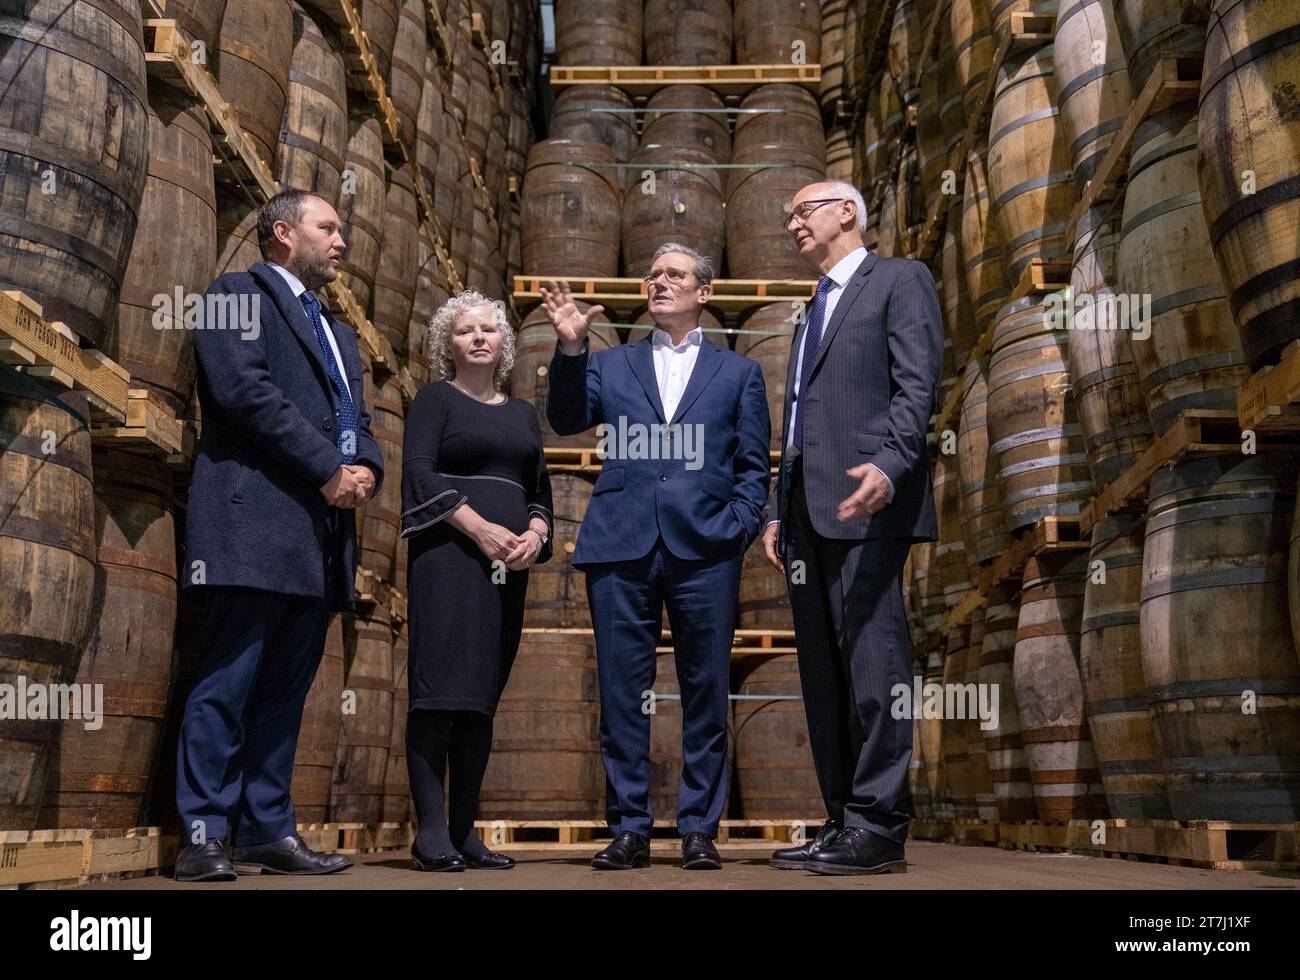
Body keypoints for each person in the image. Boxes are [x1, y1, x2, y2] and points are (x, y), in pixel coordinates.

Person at [175, 189, 384, 882]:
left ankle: (267, 829)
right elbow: (244, 392)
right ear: (283, 233)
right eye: (330, 227)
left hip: (319, 537)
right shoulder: (235, 293)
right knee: (227, 684)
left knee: (284, 694)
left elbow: (357, 414)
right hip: (254, 519)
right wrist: (329, 468)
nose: (342, 241)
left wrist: (366, 470)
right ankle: (203, 835)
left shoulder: (336, 328)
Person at [542, 244, 770, 871]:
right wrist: (568, 349)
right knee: (622, 691)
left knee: (705, 688)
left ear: (704, 291)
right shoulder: (612, 364)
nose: (658, 282)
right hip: (621, 544)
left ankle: (699, 828)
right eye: (652, 275)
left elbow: (755, 467)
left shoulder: (739, 374)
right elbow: (563, 420)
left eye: (674, 274)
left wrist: (740, 525)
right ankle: (630, 828)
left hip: (706, 549)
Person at [762, 180, 942, 875]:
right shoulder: (811, 310)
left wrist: (892, 467)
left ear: (847, 211)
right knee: (823, 673)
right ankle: (841, 819)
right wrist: (780, 508)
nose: (790, 224)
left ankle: (880, 826)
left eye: (800, 209)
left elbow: (916, 384)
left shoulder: (899, 279)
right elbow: (802, 418)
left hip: (869, 501)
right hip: (808, 514)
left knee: (873, 663)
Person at [400, 292, 554, 872]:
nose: (479, 338)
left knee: (479, 700)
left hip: (507, 568)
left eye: (489, 329)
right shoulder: (435, 399)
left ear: (504, 343)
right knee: (438, 693)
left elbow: (538, 488)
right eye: (465, 331)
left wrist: (535, 535)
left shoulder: (522, 414)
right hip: (448, 558)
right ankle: (431, 830)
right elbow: (417, 472)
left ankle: (465, 829)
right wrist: (478, 527)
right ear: (449, 344)